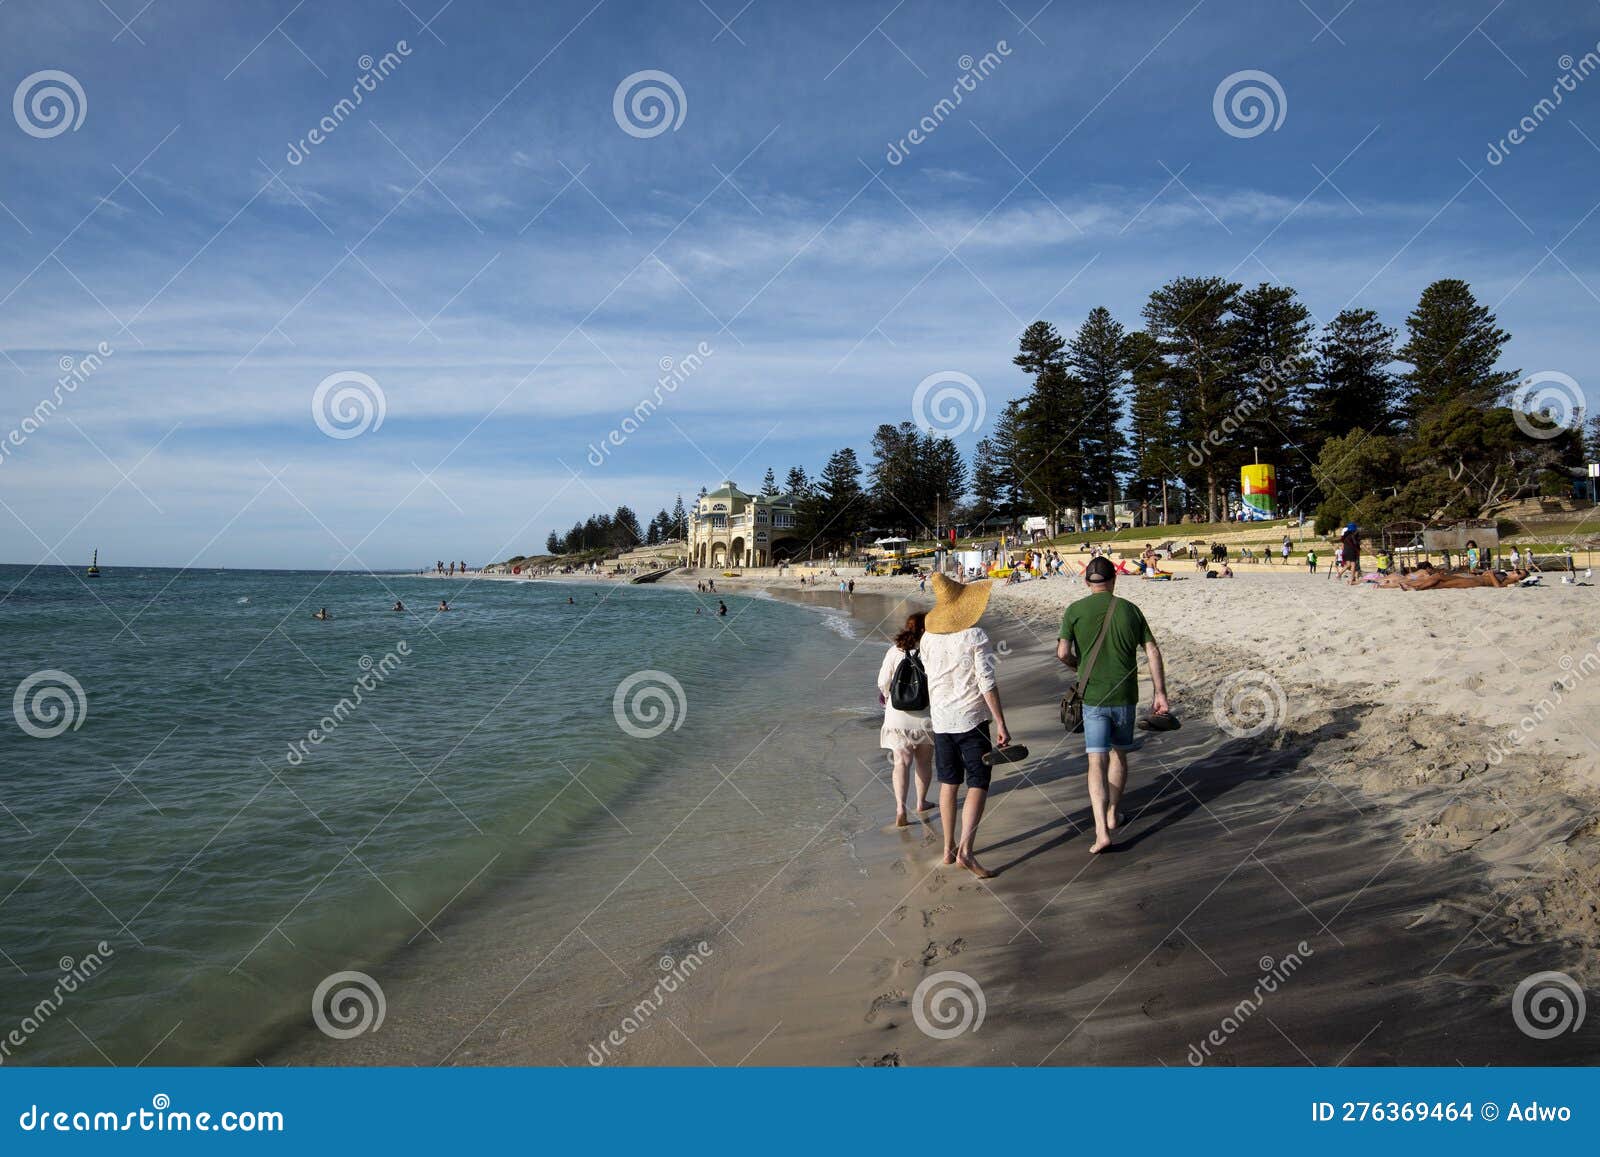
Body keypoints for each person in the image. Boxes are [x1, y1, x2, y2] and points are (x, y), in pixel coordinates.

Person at [1056, 555, 1170, 854]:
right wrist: (1160, 692)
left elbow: (1062, 652)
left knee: (1096, 760)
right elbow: (1152, 651)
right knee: (1119, 755)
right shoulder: (1130, 610)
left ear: (1086, 582)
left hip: (1093, 696)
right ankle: (1113, 812)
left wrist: (1079, 668)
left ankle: (1101, 830)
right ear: (1114, 580)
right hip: (1125, 697)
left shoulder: (1075, 610)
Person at [919, 574, 1012, 879]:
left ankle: (947, 849)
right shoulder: (975, 637)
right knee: (978, 781)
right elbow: (987, 683)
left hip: (942, 720)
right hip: (971, 719)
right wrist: (1000, 721)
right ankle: (966, 851)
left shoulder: (927, 638)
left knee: (948, 782)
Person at [877, 612, 936, 827]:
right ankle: (921, 802)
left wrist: (890, 698)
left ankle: (901, 808)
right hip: (925, 717)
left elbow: (883, 682)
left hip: (897, 716)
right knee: (923, 762)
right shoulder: (930, 650)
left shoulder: (894, 651)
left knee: (901, 763)